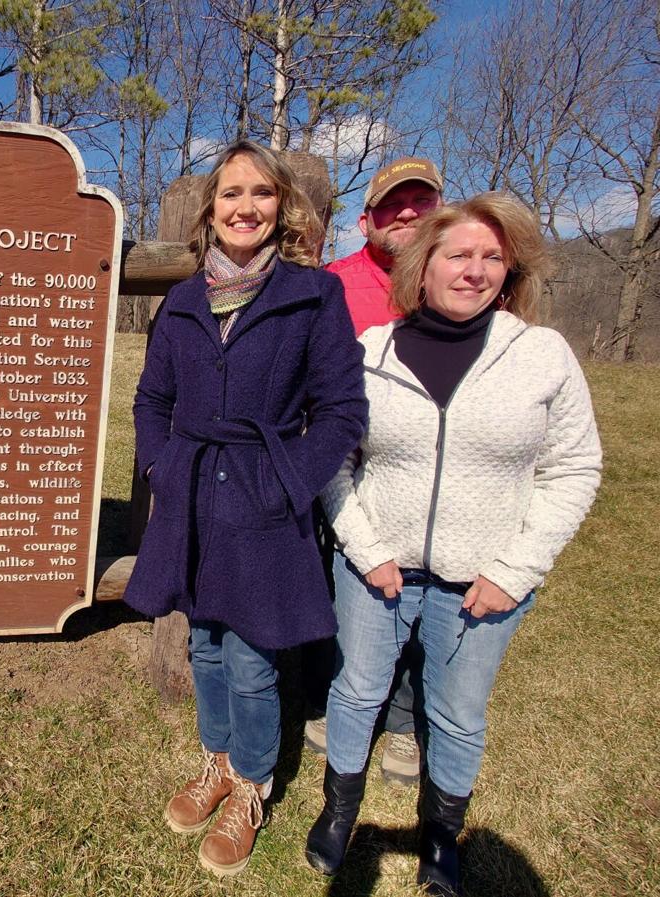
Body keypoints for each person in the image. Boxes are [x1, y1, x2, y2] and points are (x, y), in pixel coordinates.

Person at [305, 193, 602, 896]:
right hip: (377, 568)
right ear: (424, 265)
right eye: (459, 254)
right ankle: (339, 810)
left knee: (457, 713)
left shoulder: (541, 356)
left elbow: (574, 469)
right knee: (356, 690)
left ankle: (441, 835)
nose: (475, 270)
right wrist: (366, 548)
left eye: (492, 257)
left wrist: (515, 570)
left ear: (509, 270)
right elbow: (334, 462)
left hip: (484, 581)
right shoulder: (370, 353)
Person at [123, 139, 367, 877]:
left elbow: (342, 411)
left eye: (261, 193)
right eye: (232, 193)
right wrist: (162, 466)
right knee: (203, 647)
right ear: (211, 209)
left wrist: (290, 480)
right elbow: (151, 399)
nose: (245, 207)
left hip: (264, 500)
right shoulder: (183, 302)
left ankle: (251, 786)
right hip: (193, 496)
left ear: (281, 206)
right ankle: (218, 763)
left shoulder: (313, 296)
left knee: (254, 659)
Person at [303, 157, 445, 786]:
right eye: (392, 204)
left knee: (422, 593)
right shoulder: (332, 284)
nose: (407, 213)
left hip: (423, 473)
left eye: (421, 202)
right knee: (338, 587)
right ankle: (333, 698)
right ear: (366, 221)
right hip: (339, 465)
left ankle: (405, 721)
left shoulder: (458, 284)